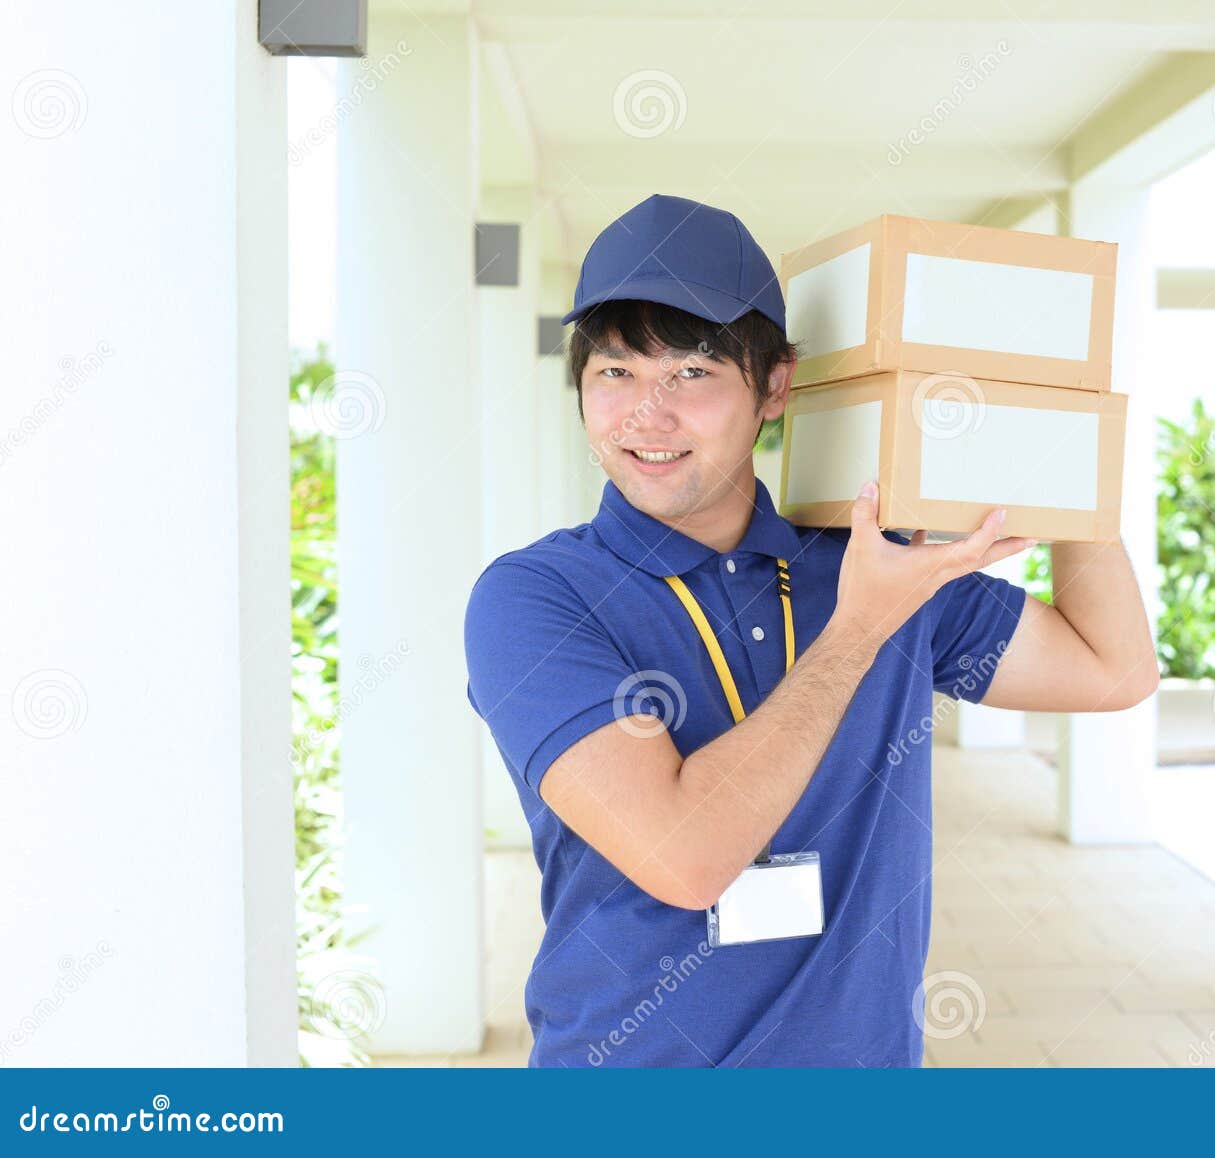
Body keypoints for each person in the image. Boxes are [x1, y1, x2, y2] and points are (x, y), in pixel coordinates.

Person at [463, 193, 1158, 1068]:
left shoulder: (879, 563)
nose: (647, 414)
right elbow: (686, 861)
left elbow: (1112, 669)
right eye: (615, 373)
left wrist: (1060, 430)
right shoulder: (534, 598)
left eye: (692, 374)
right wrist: (860, 627)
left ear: (775, 387)